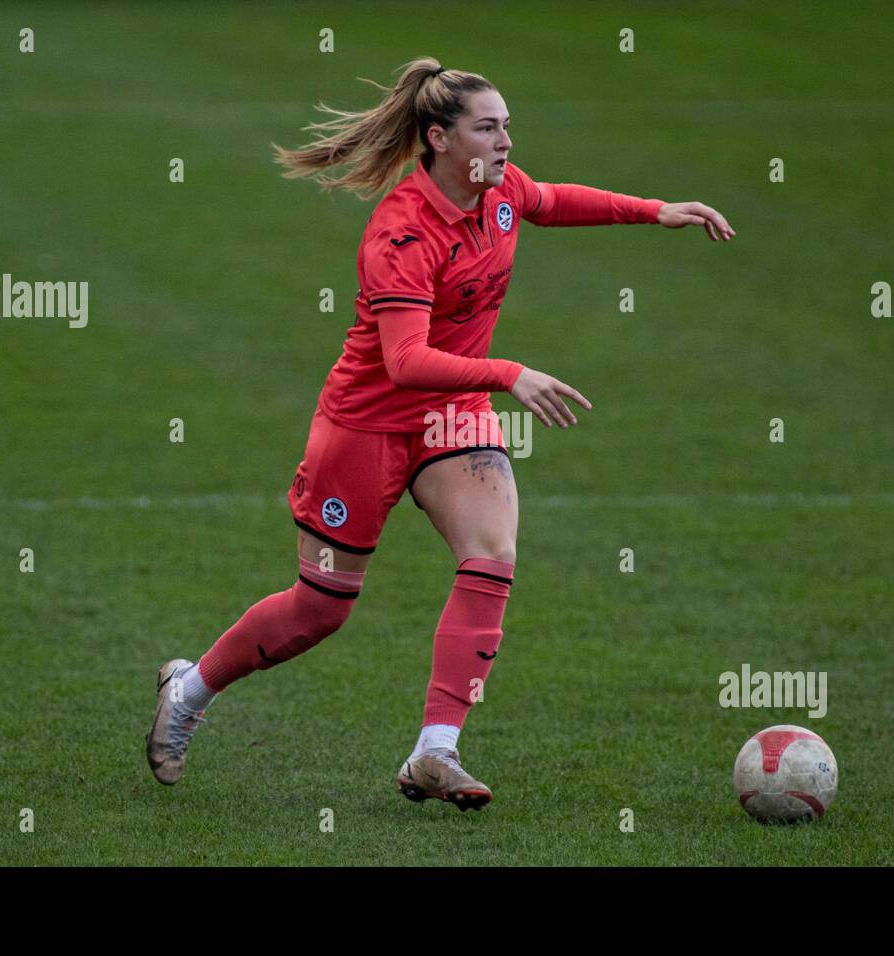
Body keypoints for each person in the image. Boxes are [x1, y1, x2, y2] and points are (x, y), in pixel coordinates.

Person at [146, 57, 735, 811]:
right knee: (320, 608)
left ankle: (435, 750)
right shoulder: (401, 232)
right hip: (366, 425)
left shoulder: (499, 192)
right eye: (489, 128)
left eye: (507, 126)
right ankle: (190, 689)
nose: (506, 142)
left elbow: (551, 201)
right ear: (439, 139)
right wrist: (508, 373)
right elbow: (404, 361)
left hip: (452, 417)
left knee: (491, 554)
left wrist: (657, 210)